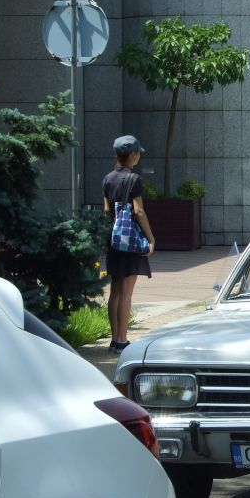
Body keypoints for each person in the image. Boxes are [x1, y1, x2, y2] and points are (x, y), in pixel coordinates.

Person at [102, 135, 155, 354]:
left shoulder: (108, 178)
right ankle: (123, 340)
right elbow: (139, 211)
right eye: (138, 153)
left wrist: (116, 227)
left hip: (114, 239)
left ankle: (114, 339)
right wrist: (150, 238)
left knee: (115, 290)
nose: (139, 156)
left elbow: (107, 210)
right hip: (130, 241)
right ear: (133, 155)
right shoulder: (134, 179)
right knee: (126, 292)